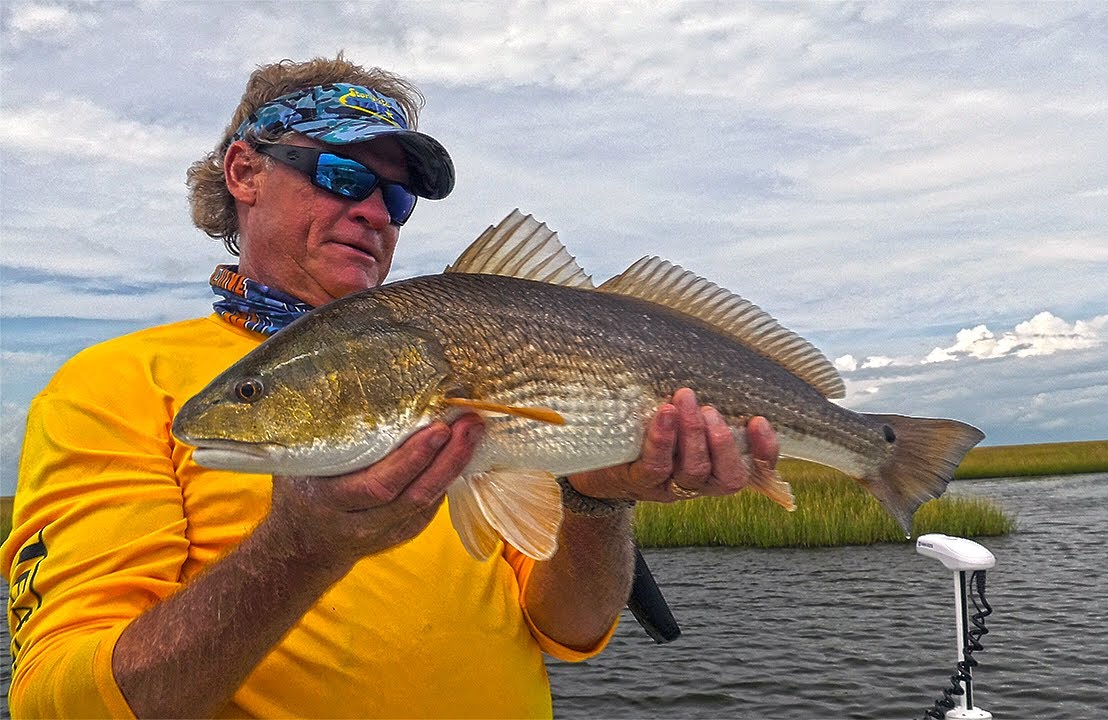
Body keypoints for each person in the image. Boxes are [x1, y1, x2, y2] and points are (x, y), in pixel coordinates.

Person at [2, 55, 779, 718]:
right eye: (341, 175)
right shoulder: (114, 384)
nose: (373, 211)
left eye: (397, 197)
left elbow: (568, 629)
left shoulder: (474, 353)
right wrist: (299, 550)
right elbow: (54, 701)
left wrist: (597, 499)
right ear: (244, 172)